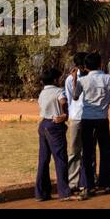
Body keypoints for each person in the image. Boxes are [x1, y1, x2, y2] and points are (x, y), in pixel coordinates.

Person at [72, 51, 110, 199]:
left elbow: (75, 96)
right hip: (101, 118)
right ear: (100, 64)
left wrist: (74, 80)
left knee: (87, 151)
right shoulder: (107, 78)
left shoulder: (83, 80)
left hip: (87, 118)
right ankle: (106, 184)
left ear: (85, 66)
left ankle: (88, 185)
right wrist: (105, 104)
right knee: (105, 151)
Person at [35, 67, 72, 202]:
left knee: (43, 160)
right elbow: (63, 101)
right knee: (60, 158)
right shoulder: (58, 91)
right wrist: (65, 114)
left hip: (43, 124)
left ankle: (41, 193)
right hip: (55, 125)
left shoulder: (42, 93)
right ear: (55, 80)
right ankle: (64, 192)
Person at [63, 51, 86, 189]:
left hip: (87, 117)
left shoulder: (88, 78)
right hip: (76, 116)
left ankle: (86, 181)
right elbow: (71, 99)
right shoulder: (70, 80)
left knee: (87, 151)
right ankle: (72, 182)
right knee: (74, 151)